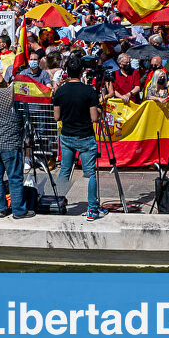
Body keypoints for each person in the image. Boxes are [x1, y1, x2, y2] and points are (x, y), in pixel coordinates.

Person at [52, 57, 105, 221]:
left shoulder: (60, 91)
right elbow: (94, 117)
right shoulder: (88, 91)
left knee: (64, 172)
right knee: (90, 174)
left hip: (67, 136)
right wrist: (101, 111)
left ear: (66, 72)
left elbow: (56, 117)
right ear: (82, 71)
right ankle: (92, 209)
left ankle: (58, 204)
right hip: (85, 136)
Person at [0, 64, 30, 218]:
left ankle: (1, 209)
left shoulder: (0, 93)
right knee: (15, 178)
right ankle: (18, 211)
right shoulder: (21, 96)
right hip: (9, 143)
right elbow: (26, 120)